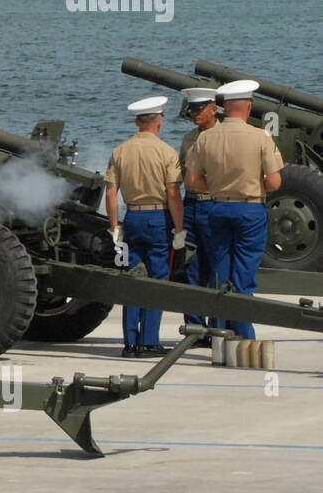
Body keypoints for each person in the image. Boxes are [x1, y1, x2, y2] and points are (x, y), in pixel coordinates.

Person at [187, 80, 285, 340]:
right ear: (249, 107)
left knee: (220, 272)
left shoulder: (205, 138)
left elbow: (193, 181)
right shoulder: (260, 136)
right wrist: (254, 185)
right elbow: (275, 181)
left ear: (224, 107)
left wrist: (218, 186)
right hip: (250, 209)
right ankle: (243, 337)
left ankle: (219, 334)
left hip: (217, 208)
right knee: (243, 275)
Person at [104, 96, 184, 357]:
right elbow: (173, 193)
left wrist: (115, 226)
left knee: (132, 276)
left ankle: (129, 342)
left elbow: (110, 193)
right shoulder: (167, 152)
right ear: (159, 122)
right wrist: (179, 229)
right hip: (158, 218)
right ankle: (149, 341)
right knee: (158, 278)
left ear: (137, 122)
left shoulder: (120, 152)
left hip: (133, 218)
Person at [175, 86, 219, 339]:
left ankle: (216, 325)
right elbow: (181, 173)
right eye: (192, 109)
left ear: (213, 110)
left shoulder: (223, 137)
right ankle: (194, 329)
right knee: (190, 265)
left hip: (214, 204)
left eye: (199, 109)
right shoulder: (189, 138)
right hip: (190, 204)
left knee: (216, 266)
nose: (195, 113)